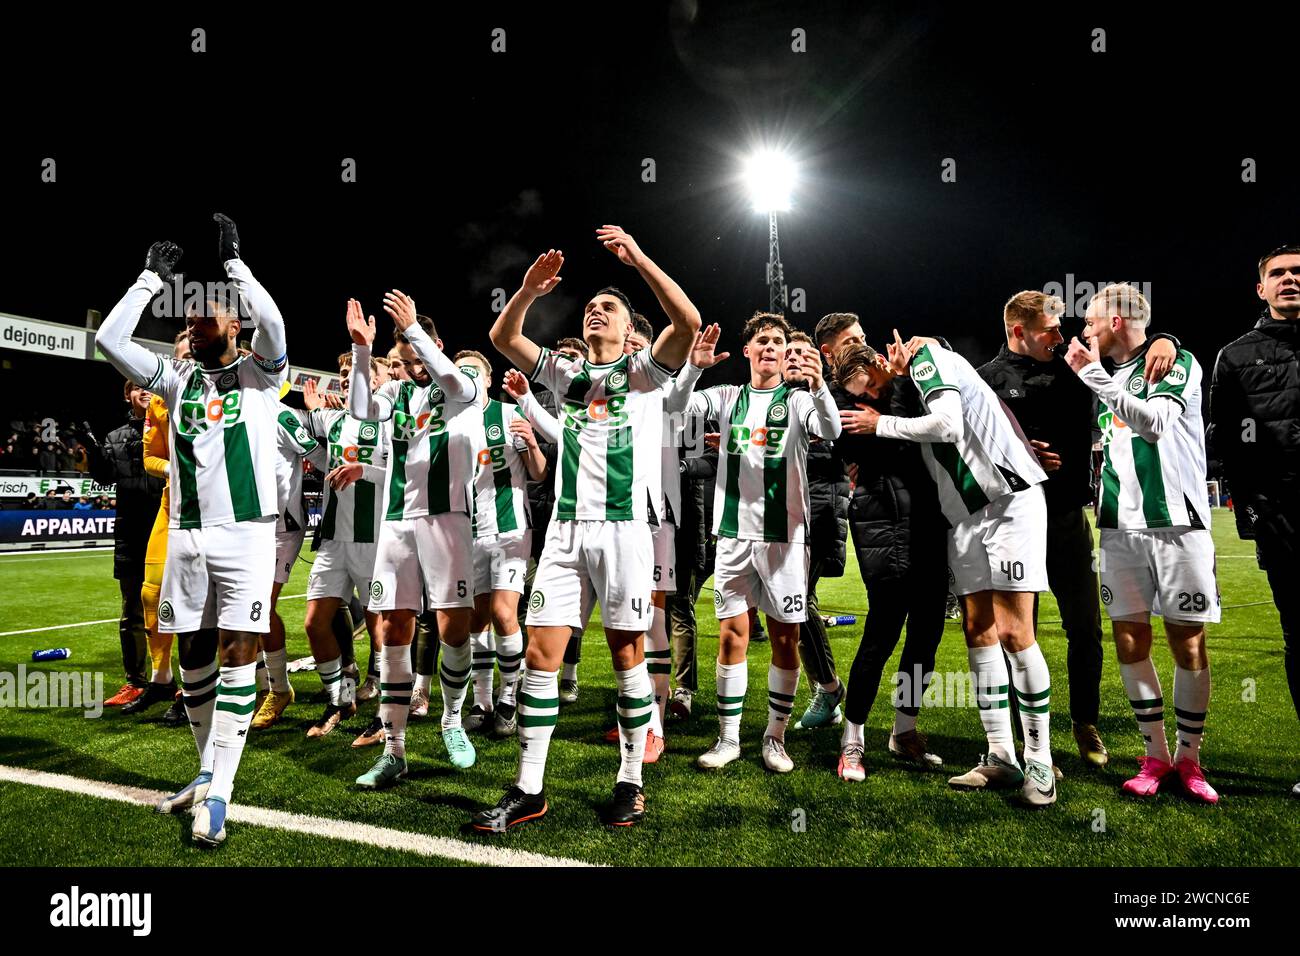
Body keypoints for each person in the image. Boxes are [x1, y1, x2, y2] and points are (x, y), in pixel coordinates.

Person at [475, 225, 700, 830]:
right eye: (592, 307)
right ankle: (528, 788)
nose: (596, 312)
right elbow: (504, 336)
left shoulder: (647, 374)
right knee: (541, 656)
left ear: (629, 330)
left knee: (626, 654)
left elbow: (685, 321)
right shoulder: (566, 377)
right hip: (566, 533)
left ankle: (630, 780)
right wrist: (525, 291)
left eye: (610, 308)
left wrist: (640, 259)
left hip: (625, 531)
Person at [96, 214, 288, 846]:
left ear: (236, 324)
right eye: (188, 319)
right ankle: (207, 772)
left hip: (248, 535)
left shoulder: (264, 375)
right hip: (185, 535)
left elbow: (277, 322)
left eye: (206, 315)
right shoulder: (176, 380)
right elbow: (110, 340)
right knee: (193, 656)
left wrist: (235, 265)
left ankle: (221, 794)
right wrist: (150, 278)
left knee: (238, 653)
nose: (192, 323)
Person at [839, 331, 1057, 807]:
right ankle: (1000, 754)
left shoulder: (926, 359)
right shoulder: (904, 390)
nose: (872, 399)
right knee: (978, 630)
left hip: (1007, 500)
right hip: (962, 516)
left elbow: (950, 425)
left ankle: (1039, 758)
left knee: (1015, 631)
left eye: (871, 387)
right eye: (862, 398)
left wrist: (881, 423)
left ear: (882, 362)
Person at [979, 291, 1178, 768]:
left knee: (1085, 627)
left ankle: (1084, 722)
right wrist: (1019, 460)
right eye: (1049, 327)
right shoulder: (987, 380)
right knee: (1011, 634)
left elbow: (1125, 354)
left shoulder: (1077, 367)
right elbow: (972, 449)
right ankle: (1016, 734)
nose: (1061, 334)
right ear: (1018, 331)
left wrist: (1164, 339)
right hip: (1012, 520)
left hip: (1068, 516)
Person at [1067, 284, 1221, 803]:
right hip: (1117, 528)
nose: (1083, 330)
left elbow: (1155, 424)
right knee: (1131, 641)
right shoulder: (1108, 375)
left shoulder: (1178, 363)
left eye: (1090, 320)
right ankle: (1154, 755)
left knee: (1188, 641)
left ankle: (1190, 759)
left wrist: (1094, 376)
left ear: (1116, 321)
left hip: (1177, 525)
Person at [676, 317, 842, 773]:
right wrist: (693, 368)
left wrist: (820, 383)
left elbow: (831, 430)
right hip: (732, 537)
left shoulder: (798, 399)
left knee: (786, 638)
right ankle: (728, 738)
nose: (771, 347)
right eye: (762, 341)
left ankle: (775, 736)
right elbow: (675, 405)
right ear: (747, 350)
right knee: (732, 635)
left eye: (779, 342)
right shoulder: (728, 396)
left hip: (785, 540)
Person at [345, 293, 483, 788]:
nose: (409, 370)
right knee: (393, 627)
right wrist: (364, 351)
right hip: (399, 522)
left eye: (413, 360)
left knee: (453, 627)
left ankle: (450, 718)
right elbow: (361, 410)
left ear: (434, 346)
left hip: (447, 519)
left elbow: (450, 380)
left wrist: (418, 339)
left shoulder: (462, 385)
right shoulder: (398, 394)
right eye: (401, 363)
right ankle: (394, 748)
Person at [1210, 243, 1300, 799]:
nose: (1291, 280)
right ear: (1261, 287)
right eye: (1280, 274)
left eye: (1299, 273)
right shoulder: (1236, 356)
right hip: (1284, 517)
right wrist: (1257, 514)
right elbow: (1226, 444)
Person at [455, 350, 544, 739]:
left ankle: (509, 699)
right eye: (460, 373)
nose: (467, 377)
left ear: (488, 380)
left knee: (504, 613)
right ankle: (483, 701)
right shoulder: (446, 422)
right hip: (466, 533)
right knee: (476, 619)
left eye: (474, 372)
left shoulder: (508, 416)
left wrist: (533, 445)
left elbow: (538, 473)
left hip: (510, 529)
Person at [299, 359, 387, 739]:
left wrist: (364, 471)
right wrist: (307, 405)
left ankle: (385, 713)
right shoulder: (332, 421)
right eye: (345, 378)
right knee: (315, 623)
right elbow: (293, 422)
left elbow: (405, 475)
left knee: (381, 629)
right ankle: (341, 699)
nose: (349, 382)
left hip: (375, 539)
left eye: (359, 376)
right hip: (334, 539)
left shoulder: (391, 422)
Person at [81, 379, 164, 708]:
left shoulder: (171, 428)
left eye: (150, 386)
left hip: (169, 529)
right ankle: (134, 682)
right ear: (127, 395)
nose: (144, 392)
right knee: (131, 611)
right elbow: (103, 477)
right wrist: (92, 452)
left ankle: (169, 678)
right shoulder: (115, 437)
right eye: (136, 387)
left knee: (176, 608)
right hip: (130, 533)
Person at [124, 330, 192, 725]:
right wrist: (173, 470)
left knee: (201, 606)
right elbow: (151, 457)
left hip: (217, 512)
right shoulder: (162, 399)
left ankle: (197, 685)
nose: (185, 361)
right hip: (173, 504)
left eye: (191, 354)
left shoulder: (228, 391)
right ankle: (162, 677)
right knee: (152, 593)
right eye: (179, 355)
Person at [783, 329, 848, 730]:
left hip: (818, 516)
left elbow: (839, 446)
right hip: (784, 518)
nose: (792, 358)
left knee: (798, 600)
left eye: (801, 353)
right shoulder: (776, 400)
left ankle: (828, 687)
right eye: (787, 352)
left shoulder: (826, 400)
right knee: (793, 604)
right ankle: (825, 696)